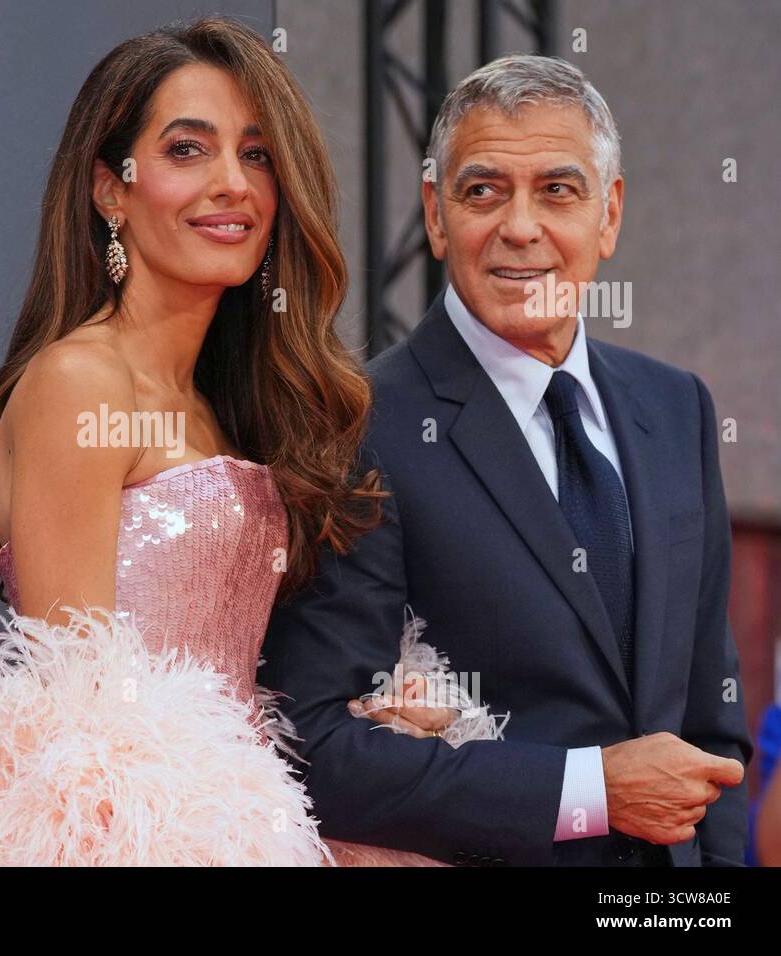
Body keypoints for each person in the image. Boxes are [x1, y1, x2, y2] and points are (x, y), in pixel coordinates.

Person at [0, 17, 495, 867]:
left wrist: (367, 720)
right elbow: (79, 713)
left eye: (256, 155)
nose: (231, 184)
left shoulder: (229, 404)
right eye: (185, 150)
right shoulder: (79, 381)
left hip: (249, 819)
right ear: (111, 189)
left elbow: (237, 677)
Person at [259, 54, 752, 866]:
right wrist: (591, 790)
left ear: (610, 214)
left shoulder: (677, 408)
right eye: (483, 190)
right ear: (436, 213)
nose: (520, 227)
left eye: (558, 190)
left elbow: (711, 721)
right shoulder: (356, 425)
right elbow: (314, 744)